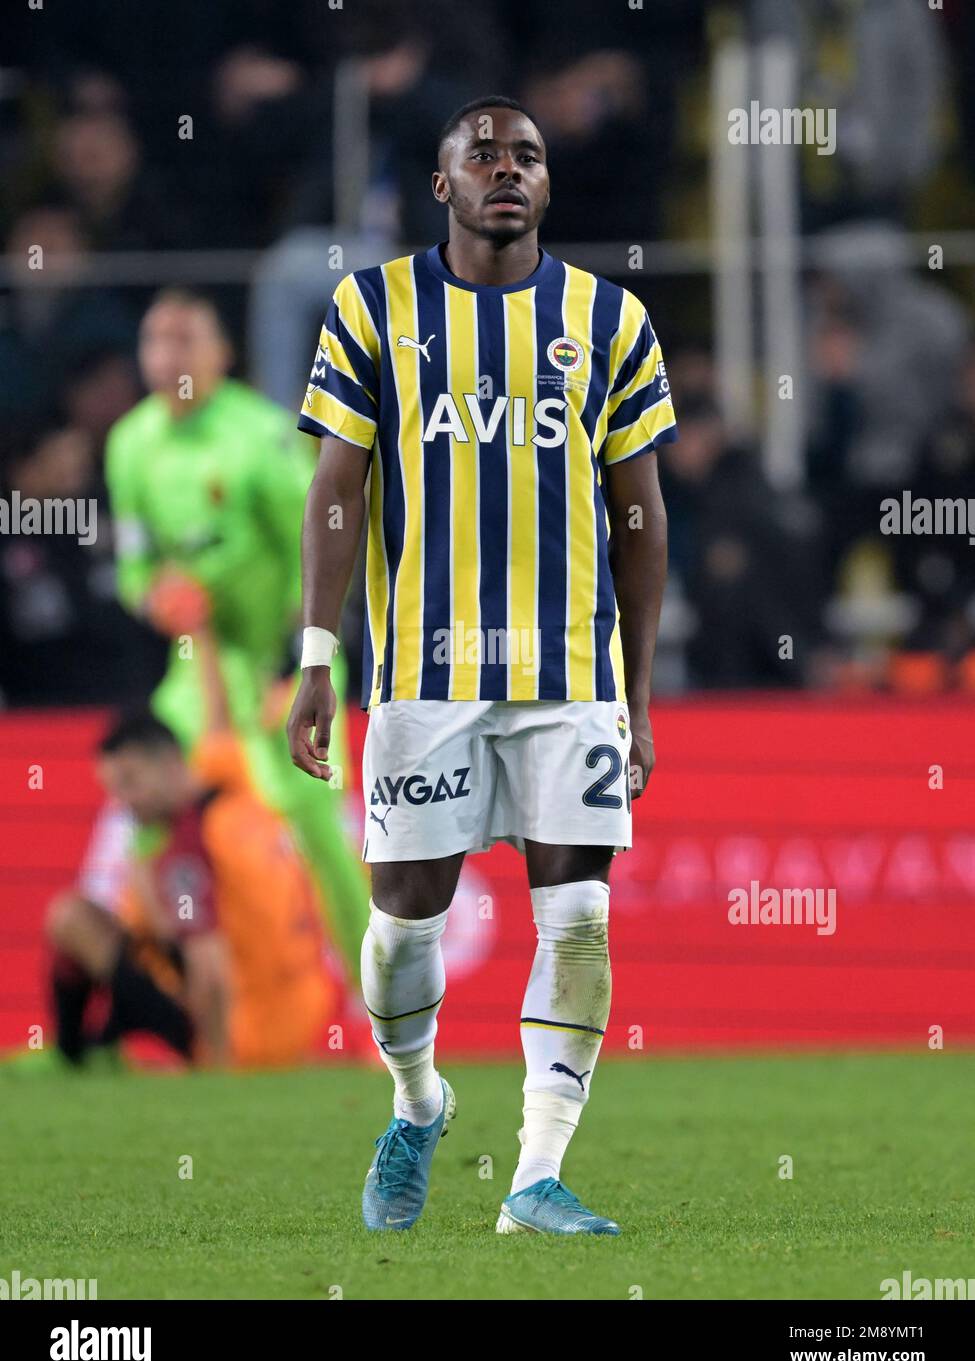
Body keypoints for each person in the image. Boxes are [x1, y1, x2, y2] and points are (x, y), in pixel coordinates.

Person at [287, 96, 676, 1235]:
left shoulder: (610, 321)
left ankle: (533, 1177)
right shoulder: (375, 307)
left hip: (570, 680)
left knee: (581, 918)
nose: (509, 170)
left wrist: (637, 698)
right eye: (483, 156)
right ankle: (419, 1103)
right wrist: (321, 657)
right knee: (406, 925)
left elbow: (640, 516)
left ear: (548, 188)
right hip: (423, 678)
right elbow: (337, 490)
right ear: (443, 184)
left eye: (530, 157)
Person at [104, 287, 370, 976]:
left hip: (288, 660)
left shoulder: (263, 437)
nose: (169, 357)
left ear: (222, 352)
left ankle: (384, 1014)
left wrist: (293, 661)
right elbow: (134, 568)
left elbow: (320, 549)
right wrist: (154, 597)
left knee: (315, 826)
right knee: (140, 797)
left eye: (186, 339)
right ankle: (145, 1005)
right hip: (201, 669)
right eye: (156, 341)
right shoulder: (130, 444)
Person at [45, 627, 337, 1070]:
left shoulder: (188, 846)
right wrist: (204, 633)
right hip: (298, 1011)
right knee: (139, 911)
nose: (124, 802)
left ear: (168, 765)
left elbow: (208, 962)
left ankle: (74, 1058)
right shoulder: (229, 782)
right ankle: (98, 1048)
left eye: (130, 784)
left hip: (245, 1032)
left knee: (71, 918)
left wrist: (215, 1063)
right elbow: (219, 719)